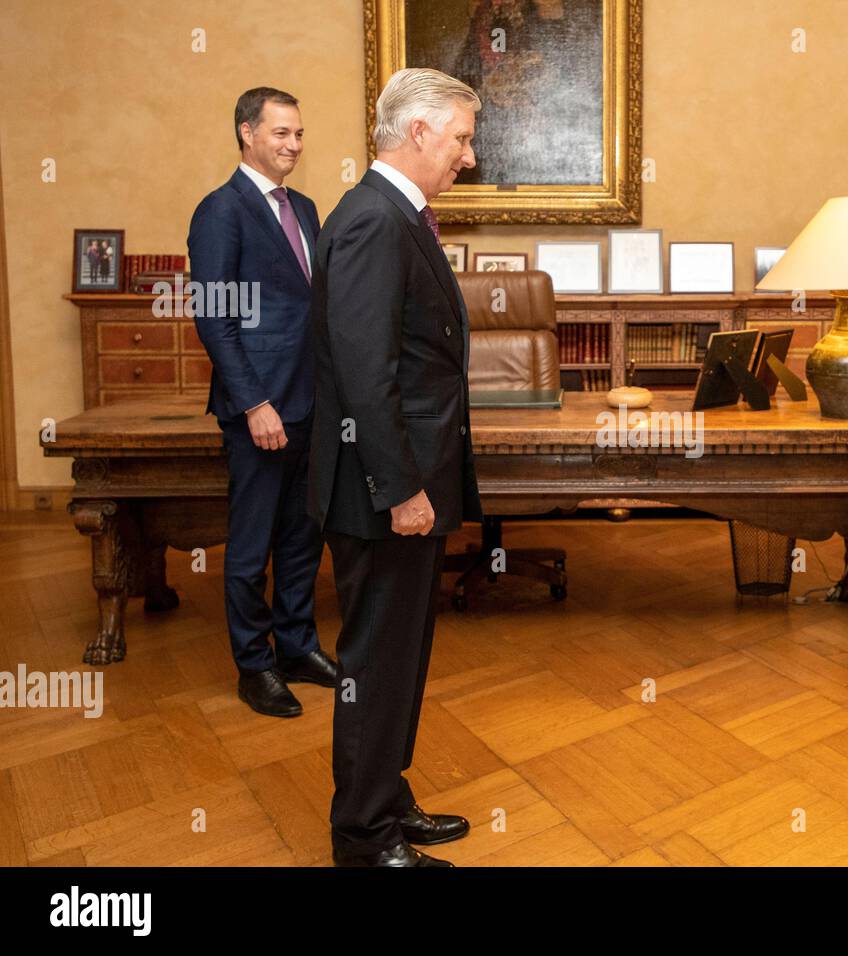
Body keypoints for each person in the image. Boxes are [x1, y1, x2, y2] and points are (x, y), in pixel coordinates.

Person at [308, 67, 483, 867]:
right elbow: (364, 372)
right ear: (417, 133)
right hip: (384, 485)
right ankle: (364, 837)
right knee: (376, 662)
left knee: (401, 653)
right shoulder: (376, 221)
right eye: (460, 138)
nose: (468, 157)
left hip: (403, 476)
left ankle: (387, 795)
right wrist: (402, 488)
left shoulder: (394, 213)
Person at [187, 87, 338, 718]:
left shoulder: (304, 207)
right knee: (251, 547)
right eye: (281, 134)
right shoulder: (221, 211)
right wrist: (254, 405)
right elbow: (215, 320)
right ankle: (254, 666)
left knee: (302, 539)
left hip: (311, 403)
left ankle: (297, 646)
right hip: (261, 410)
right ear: (248, 134)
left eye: (299, 134)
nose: (294, 145)